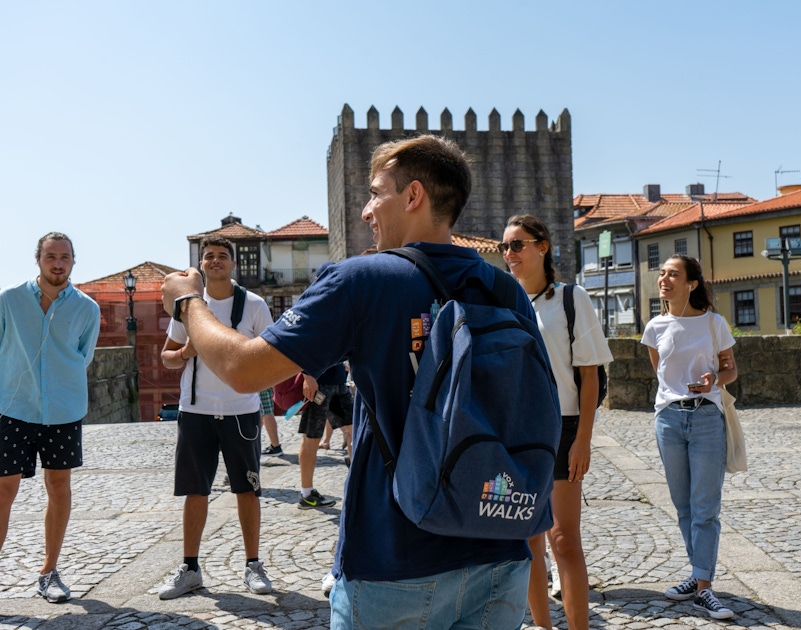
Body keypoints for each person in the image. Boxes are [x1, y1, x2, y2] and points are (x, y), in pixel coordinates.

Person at [161, 135, 545, 629]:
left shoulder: (360, 279)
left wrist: (189, 302)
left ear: (413, 197)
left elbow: (243, 370)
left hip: (394, 557)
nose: (366, 210)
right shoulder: (505, 289)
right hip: (501, 550)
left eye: (375, 192)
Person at [501, 214, 612, 630]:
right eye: (504, 247)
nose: (509, 254)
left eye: (517, 244)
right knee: (527, 540)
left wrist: (583, 439)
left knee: (563, 540)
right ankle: (543, 627)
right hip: (517, 429)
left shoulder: (570, 298)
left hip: (563, 428)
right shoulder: (504, 301)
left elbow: (590, 376)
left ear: (542, 246)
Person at [158, 236, 275, 600]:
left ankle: (253, 564)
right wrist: (185, 353)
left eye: (222, 256)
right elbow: (166, 356)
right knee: (195, 491)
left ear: (233, 264)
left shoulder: (254, 305)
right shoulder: (189, 306)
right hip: (196, 411)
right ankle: (190, 568)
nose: (215, 261)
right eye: (208, 256)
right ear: (202, 265)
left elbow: (271, 352)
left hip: (242, 411)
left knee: (248, 489)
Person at [0, 232, 100, 603]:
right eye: (50, 256)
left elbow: (83, 357)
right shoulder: (9, 300)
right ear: (38, 259)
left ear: (73, 261)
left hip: (62, 410)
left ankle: (49, 571)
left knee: (59, 487)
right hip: (13, 408)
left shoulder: (87, 309)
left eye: (65, 257)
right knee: (2, 490)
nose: (58, 263)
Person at [641, 254, 737, 621]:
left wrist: (715, 379)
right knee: (683, 506)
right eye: (662, 273)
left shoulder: (714, 323)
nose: (664, 279)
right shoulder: (655, 327)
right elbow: (662, 374)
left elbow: (730, 369)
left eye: (673, 274)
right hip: (668, 419)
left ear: (692, 283)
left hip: (707, 418)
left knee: (705, 507)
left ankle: (704, 587)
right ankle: (698, 574)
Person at [296, 362, 353, 510]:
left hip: (339, 380)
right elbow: (301, 344)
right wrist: (307, 375)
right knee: (312, 438)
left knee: (354, 430)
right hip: (318, 384)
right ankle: (306, 495)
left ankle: (359, 484)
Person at [259, 387, 282, 456]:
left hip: (261, 382)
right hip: (266, 381)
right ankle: (253, 443)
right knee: (262, 412)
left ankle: (276, 446)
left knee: (266, 412)